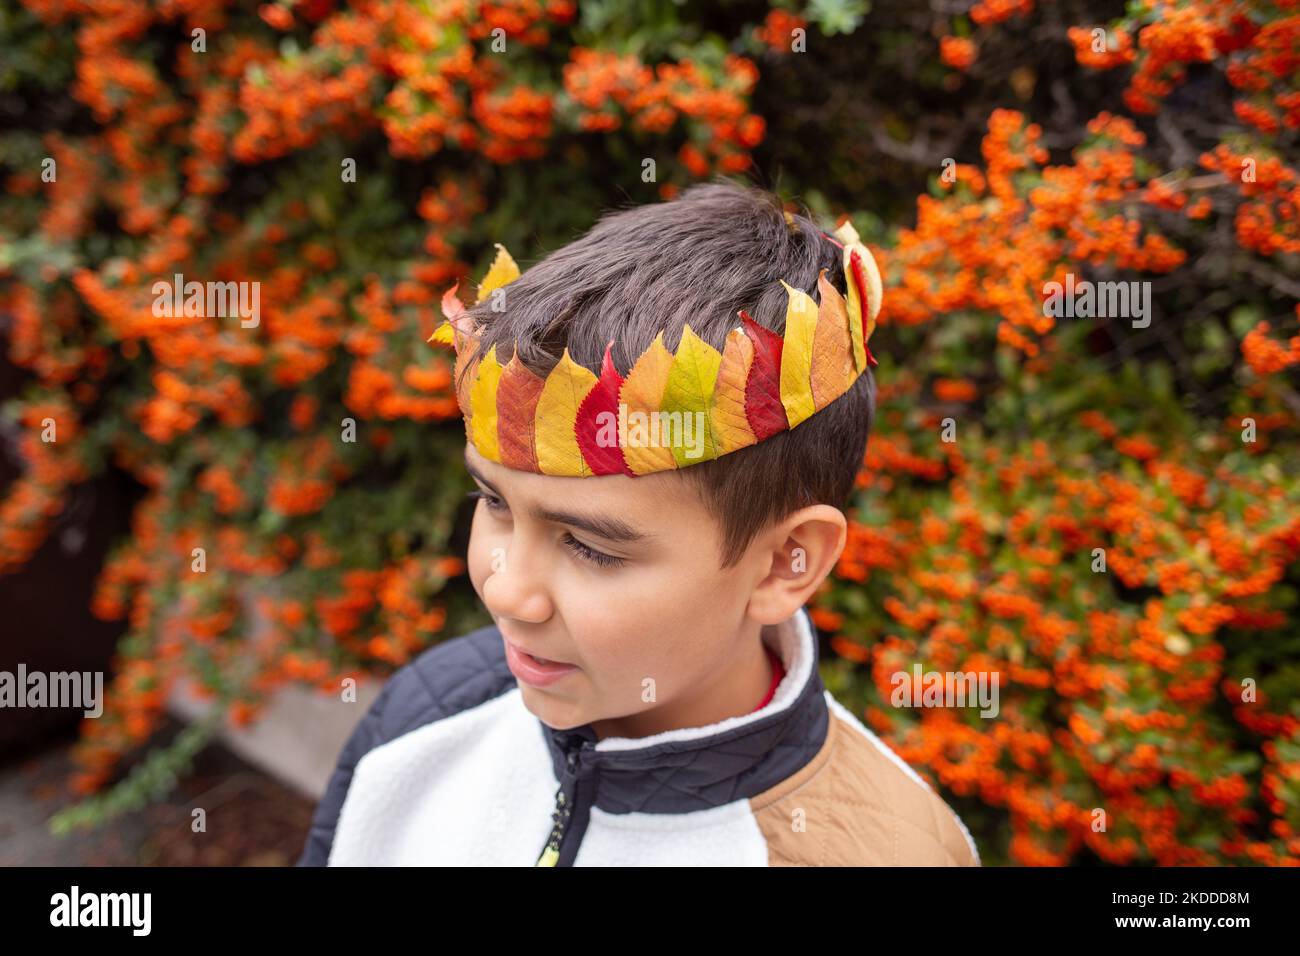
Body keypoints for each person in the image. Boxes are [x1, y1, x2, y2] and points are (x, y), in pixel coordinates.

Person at [298, 180, 980, 866]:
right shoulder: (431, 712)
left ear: (784, 562)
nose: (505, 593)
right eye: (495, 503)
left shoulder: (889, 853)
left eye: (590, 547)